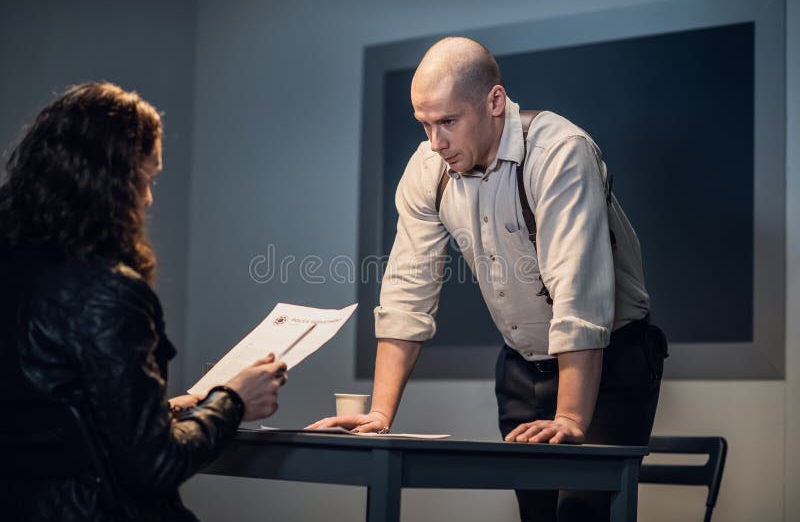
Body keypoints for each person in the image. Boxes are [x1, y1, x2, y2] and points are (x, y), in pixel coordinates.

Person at [309, 37, 668, 521]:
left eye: (448, 122)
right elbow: (407, 293)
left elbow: (578, 294)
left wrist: (568, 417)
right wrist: (380, 414)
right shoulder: (428, 169)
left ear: (494, 101)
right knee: (537, 515)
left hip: (611, 360)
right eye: (424, 124)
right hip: (522, 368)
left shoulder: (559, 153)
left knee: (581, 514)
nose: (435, 142)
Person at [0, 82, 288, 521]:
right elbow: (154, 465)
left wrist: (168, 408)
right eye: (146, 177)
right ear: (109, 179)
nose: (149, 197)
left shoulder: (16, 267)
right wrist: (232, 400)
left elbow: (56, 418)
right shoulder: (106, 291)